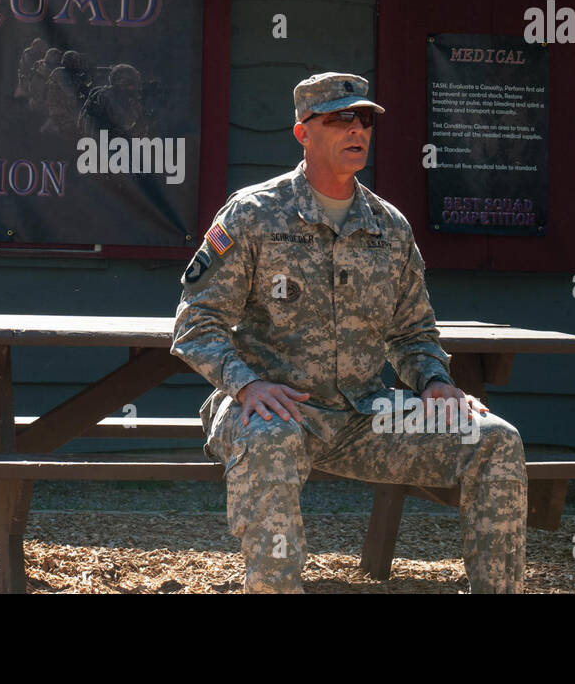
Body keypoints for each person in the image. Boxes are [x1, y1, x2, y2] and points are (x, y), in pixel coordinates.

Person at [171, 71, 527, 594]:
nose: (357, 129)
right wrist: (247, 385)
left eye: (364, 119)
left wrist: (433, 383)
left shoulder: (389, 227)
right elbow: (195, 324)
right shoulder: (253, 214)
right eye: (340, 118)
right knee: (270, 439)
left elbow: (413, 333)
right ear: (303, 133)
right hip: (271, 408)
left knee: (496, 439)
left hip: (363, 414)